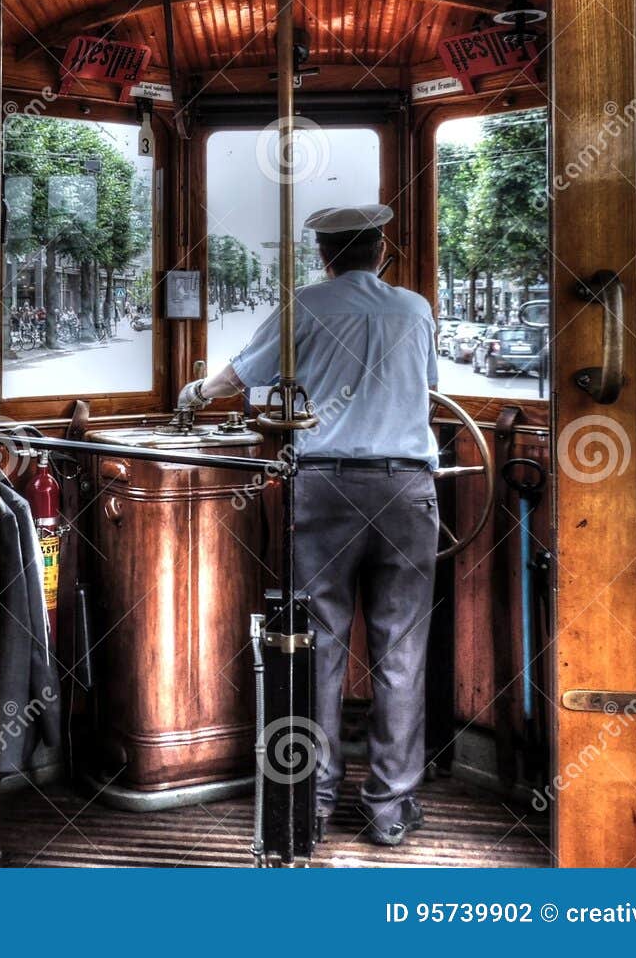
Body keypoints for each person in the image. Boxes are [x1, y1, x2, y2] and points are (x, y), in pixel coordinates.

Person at [176, 203, 440, 847]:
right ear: (381, 251)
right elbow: (426, 389)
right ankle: (389, 809)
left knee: (316, 649)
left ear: (325, 255)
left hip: (324, 489)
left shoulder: (307, 307)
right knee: (400, 652)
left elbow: (242, 375)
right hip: (407, 490)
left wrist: (193, 395)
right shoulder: (416, 310)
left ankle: (313, 804)